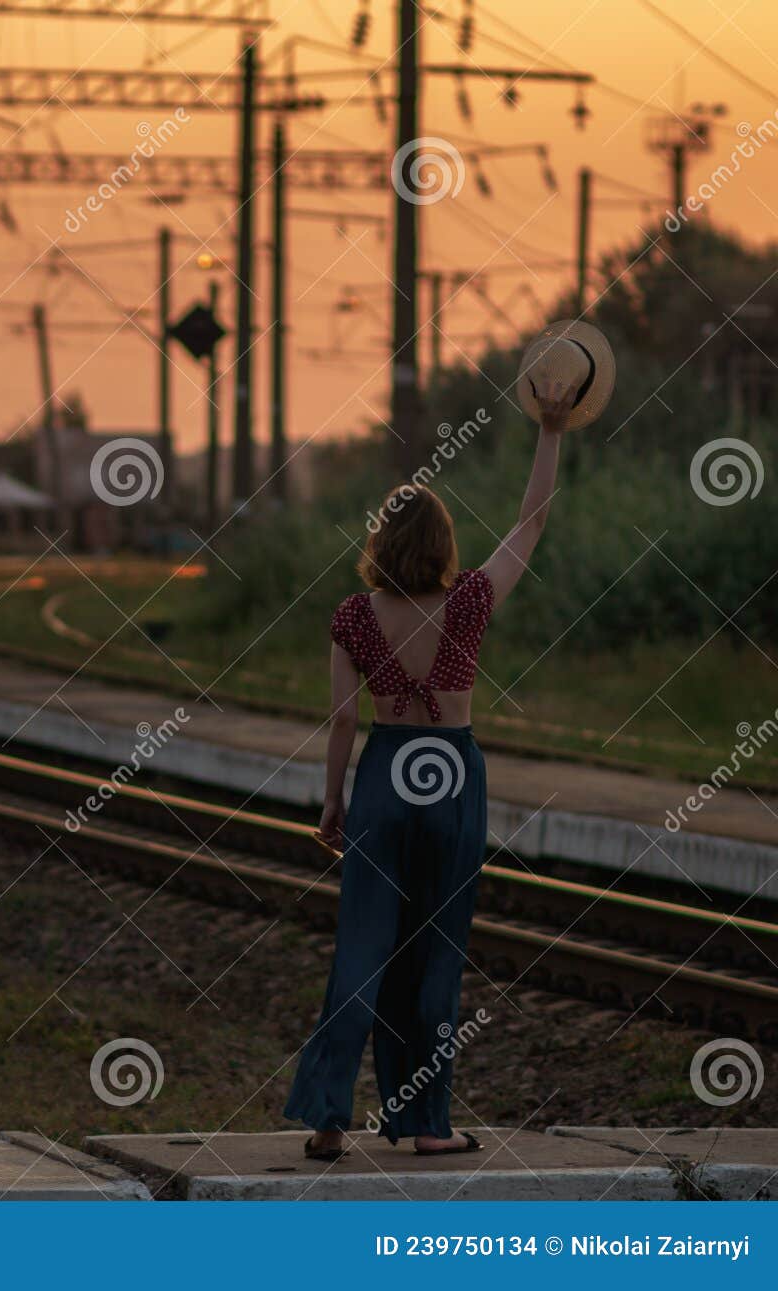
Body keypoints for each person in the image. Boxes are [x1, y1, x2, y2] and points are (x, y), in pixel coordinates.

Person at [282, 377, 579, 1160]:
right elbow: (534, 520)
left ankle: (328, 1117)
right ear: (445, 545)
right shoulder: (473, 600)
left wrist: (332, 799)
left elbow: (344, 716)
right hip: (450, 771)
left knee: (362, 943)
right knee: (437, 949)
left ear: (379, 544)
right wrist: (550, 428)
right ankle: (426, 1124)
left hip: (384, 766)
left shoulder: (352, 614)